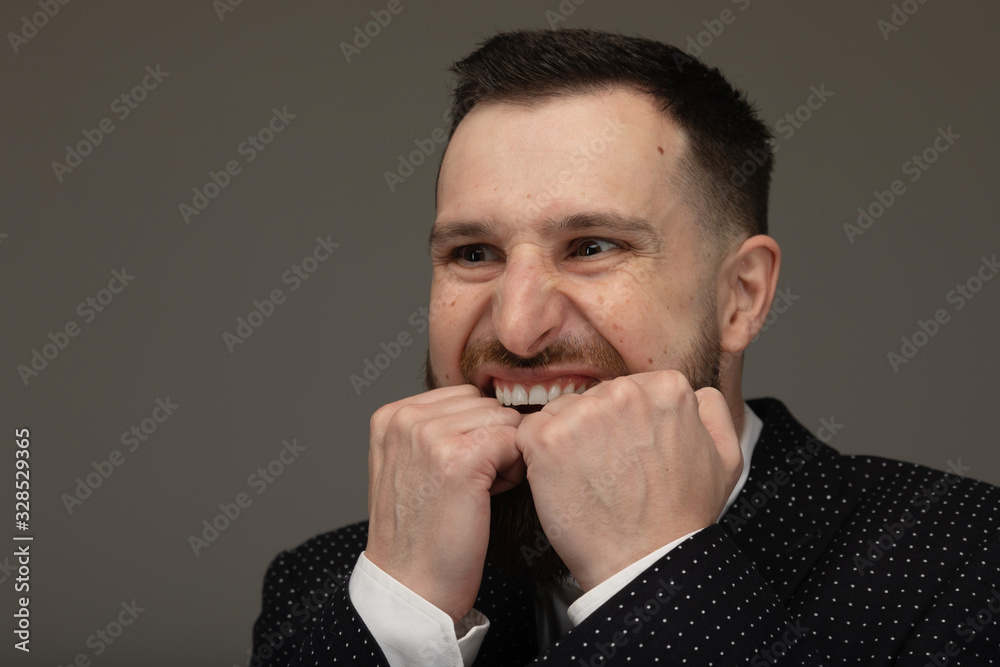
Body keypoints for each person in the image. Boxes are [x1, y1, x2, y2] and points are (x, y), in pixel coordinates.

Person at [252, 28, 1000, 666]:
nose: (516, 328)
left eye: (592, 246)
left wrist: (652, 578)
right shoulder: (334, 586)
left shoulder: (969, 560)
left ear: (741, 295)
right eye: (473, 253)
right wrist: (402, 617)